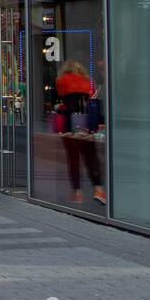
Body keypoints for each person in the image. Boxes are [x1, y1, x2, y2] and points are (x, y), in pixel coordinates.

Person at [55, 59, 105, 206]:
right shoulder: (88, 81)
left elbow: (58, 100)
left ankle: (77, 193)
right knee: (91, 156)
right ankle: (98, 189)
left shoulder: (61, 80)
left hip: (70, 122)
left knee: (73, 158)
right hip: (88, 122)